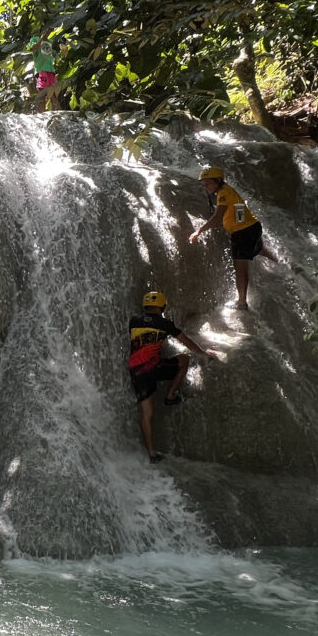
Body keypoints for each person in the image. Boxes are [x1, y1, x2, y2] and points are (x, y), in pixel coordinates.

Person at [128, 290, 217, 463]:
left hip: (136, 370)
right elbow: (186, 342)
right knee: (184, 359)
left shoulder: (134, 321)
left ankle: (152, 454)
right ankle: (170, 396)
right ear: (161, 307)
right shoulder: (165, 323)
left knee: (147, 412)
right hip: (154, 367)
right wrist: (203, 354)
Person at [188, 166, 269, 310]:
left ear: (218, 181)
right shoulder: (229, 190)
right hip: (253, 227)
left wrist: (199, 231)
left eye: (208, 184)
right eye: (203, 185)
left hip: (242, 232)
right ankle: (284, 265)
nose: (206, 187)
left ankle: (242, 303)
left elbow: (217, 218)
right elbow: (236, 213)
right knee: (259, 250)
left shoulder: (223, 194)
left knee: (240, 268)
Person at [27, 37, 57, 111]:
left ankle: (58, 117)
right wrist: (43, 37)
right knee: (42, 95)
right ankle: (42, 117)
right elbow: (34, 48)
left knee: (54, 95)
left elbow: (53, 55)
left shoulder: (50, 40)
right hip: (41, 70)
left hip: (51, 71)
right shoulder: (34, 39)